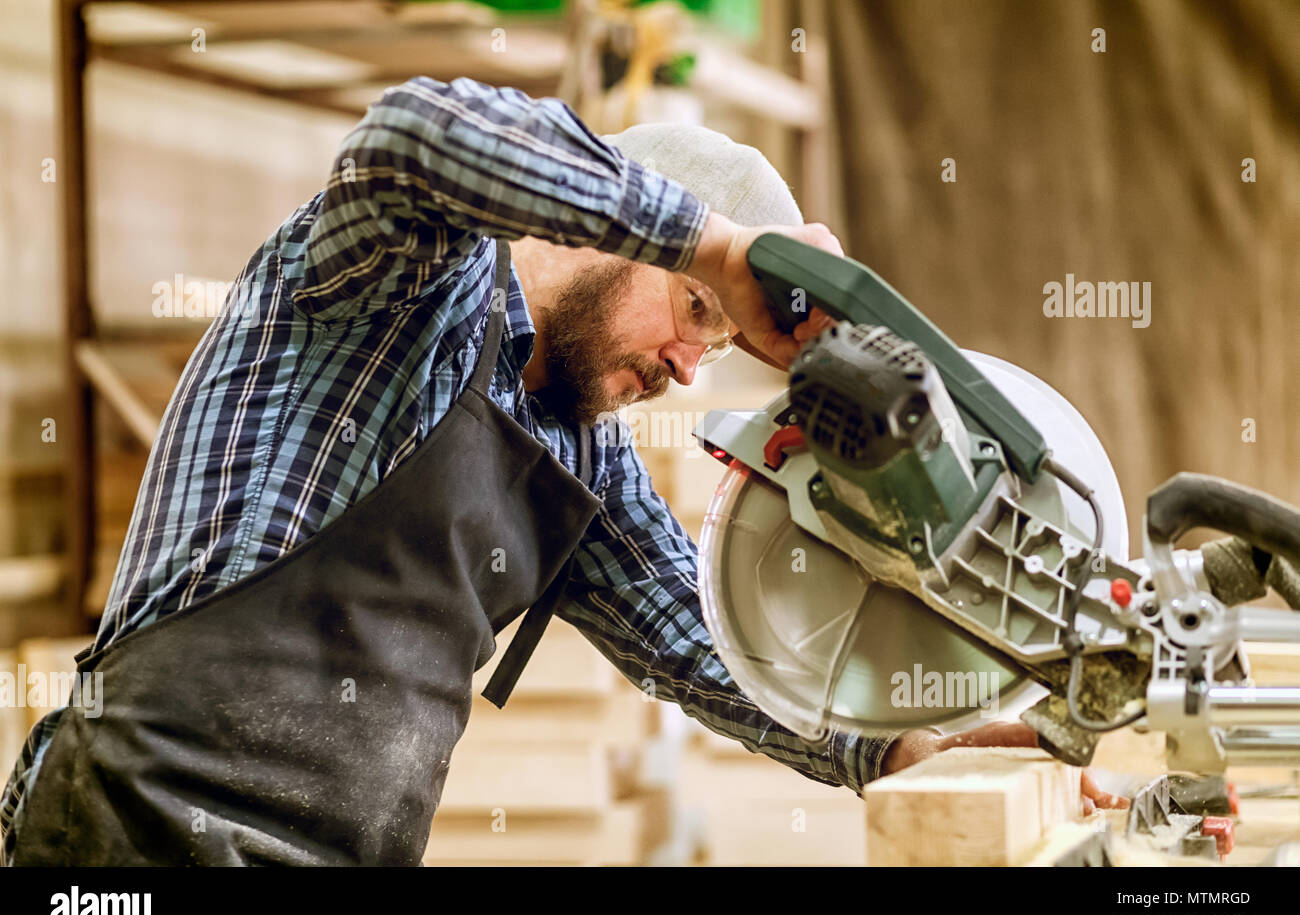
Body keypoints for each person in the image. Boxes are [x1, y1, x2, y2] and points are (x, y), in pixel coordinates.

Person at [1, 76, 1120, 866]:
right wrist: (721, 250)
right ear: (608, 228)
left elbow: (728, 652)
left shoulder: (577, 458)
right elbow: (413, 131)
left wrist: (929, 733)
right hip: (127, 837)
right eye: (694, 313)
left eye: (719, 346)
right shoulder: (385, 284)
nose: (691, 366)